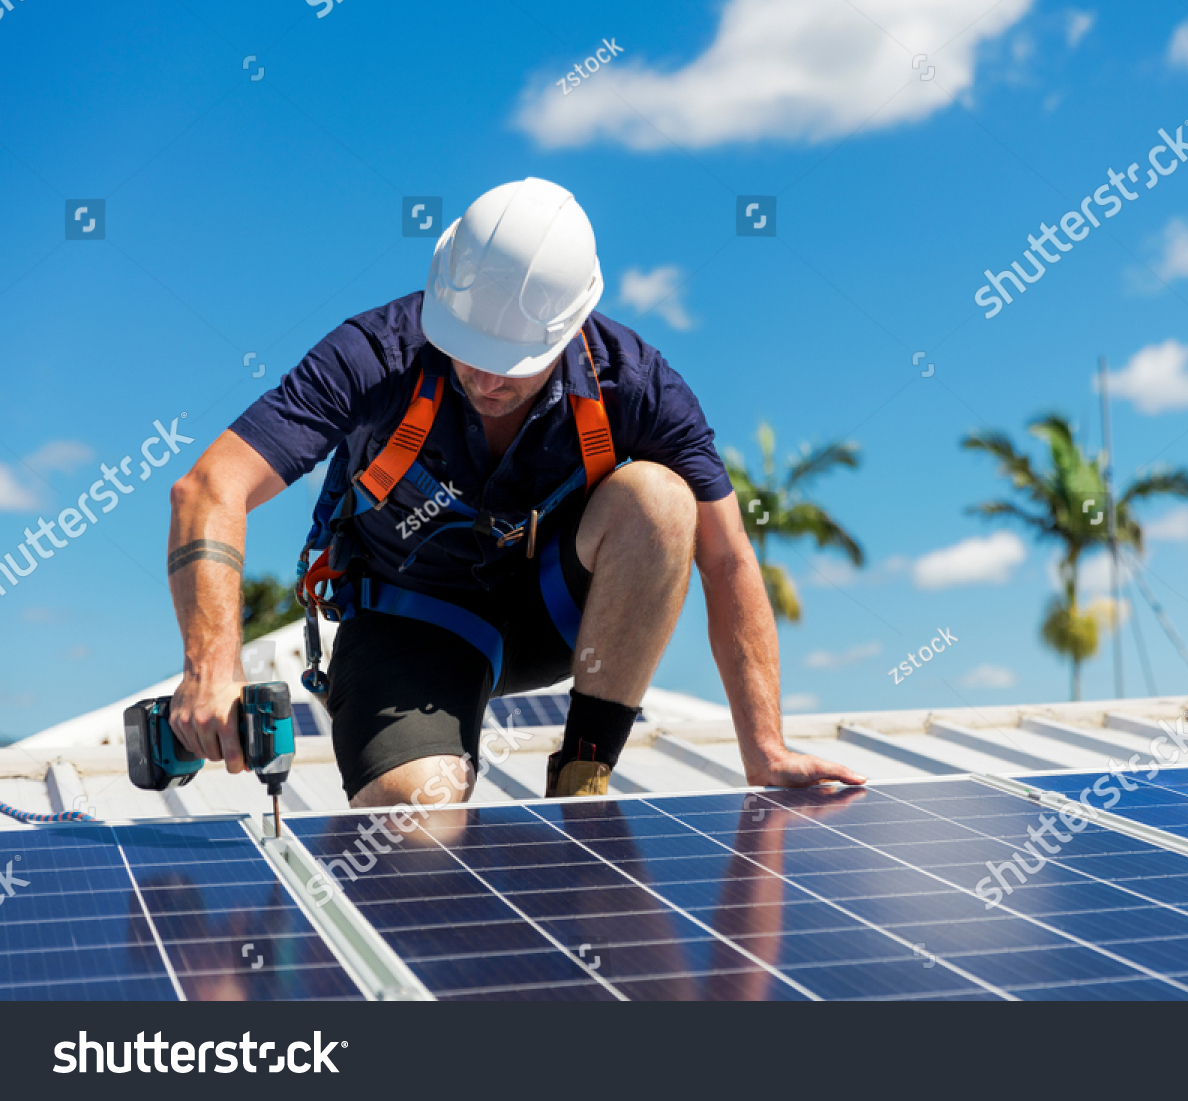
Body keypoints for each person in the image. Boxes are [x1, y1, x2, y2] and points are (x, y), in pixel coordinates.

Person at [165, 177, 865, 806]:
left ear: (569, 330)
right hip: (411, 620)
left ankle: (583, 776)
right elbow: (209, 486)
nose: (486, 378)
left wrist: (765, 747)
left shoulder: (637, 384)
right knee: (417, 818)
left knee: (661, 501)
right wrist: (211, 665)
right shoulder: (377, 352)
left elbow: (729, 558)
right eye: (469, 350)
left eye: (512, 365)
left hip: (553, 616)